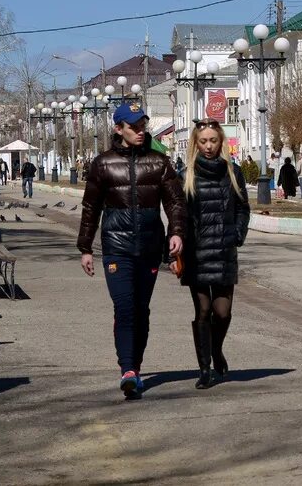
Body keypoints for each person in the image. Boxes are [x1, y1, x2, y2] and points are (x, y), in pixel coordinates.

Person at [77, 103, 187, 399]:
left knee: (141, 309)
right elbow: (91, 208)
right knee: (124, 307)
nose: (140, 132)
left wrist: (176, 232)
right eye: (134, 127)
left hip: (150, 247)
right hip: (116, 248)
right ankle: (127, 370)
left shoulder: (159, 162)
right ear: (118, 129)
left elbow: (175, 202)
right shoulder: (103, 164)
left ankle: (135, 365)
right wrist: (85, 248)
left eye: (143, 127)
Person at [178, 119, 249, 389]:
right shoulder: (187, 174)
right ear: (196, 144)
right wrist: (175, 246)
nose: (208, 146)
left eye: (213, 141)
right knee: (203, 310)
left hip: (223, 249)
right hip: (196, 253)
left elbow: (243, 208)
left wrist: (237, 235)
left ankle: (216, 350)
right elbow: (179, 215)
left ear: (222, 142)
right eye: (203, 141)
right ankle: (205, 368)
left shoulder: (233, 172)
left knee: (223, 312)